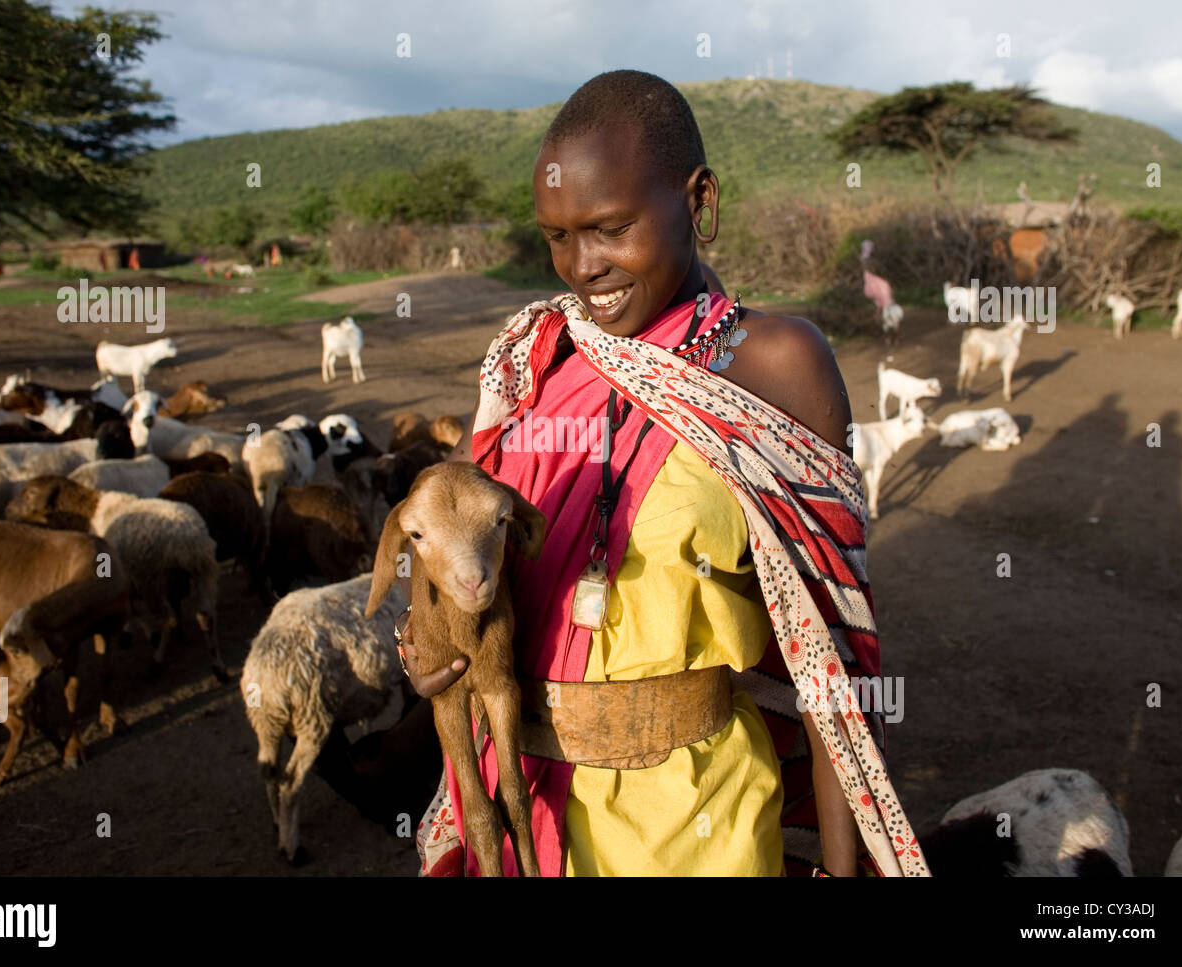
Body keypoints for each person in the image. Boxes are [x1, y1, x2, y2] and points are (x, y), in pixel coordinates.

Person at [396, 70, 926, 877]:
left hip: (698, 819)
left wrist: (841, 870)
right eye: (557, 236)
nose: (582, 266)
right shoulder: (533, 363)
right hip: (530, 811)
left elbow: (829, 653)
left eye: (611, 227)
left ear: (699, 200)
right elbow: (463, 547)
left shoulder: (778, 368)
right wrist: (428, 639)